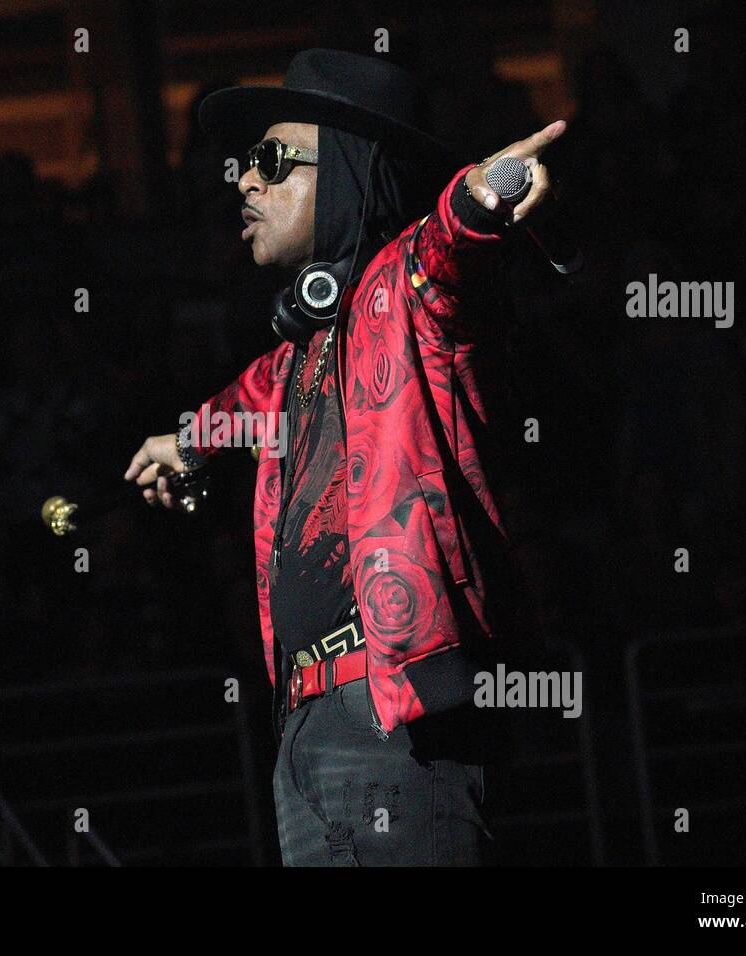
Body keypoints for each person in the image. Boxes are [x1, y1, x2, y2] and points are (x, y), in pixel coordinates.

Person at [124, 48, 565, 866]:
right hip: (305, 731)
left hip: (392, 716)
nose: (244, 183)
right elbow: (249, 397)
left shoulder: (408, 298)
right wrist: (188, 439)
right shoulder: (301, 354)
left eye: (270, 162)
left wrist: (483, 195)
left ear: (349, 173)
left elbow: (449, 248)